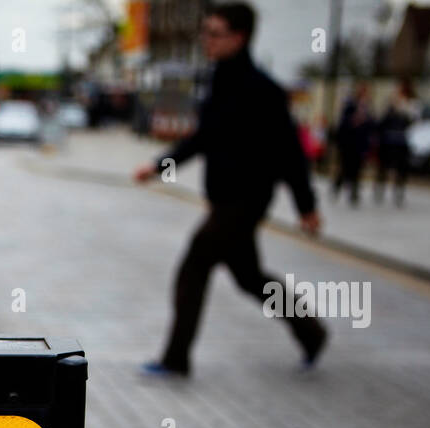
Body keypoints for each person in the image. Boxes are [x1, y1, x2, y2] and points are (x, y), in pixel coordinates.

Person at [133, 2, 327, 378]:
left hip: (246, 200)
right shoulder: (218, 81)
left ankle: (176, 359)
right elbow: (202, 139)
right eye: (205, 33)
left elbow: (289, 152)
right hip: (223, 200)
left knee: (194, 265)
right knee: (249, 277)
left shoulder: (263, 91)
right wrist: (158, 166)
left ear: (240, 37)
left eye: (215, 33)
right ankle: (312, 333)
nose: (207, 40)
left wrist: (307, 206)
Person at [374, 79, 418, 207]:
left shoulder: (411, 104)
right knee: (383, 167)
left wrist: (403, 108)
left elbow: (412, 121)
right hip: (387, 141)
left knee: (401, 169)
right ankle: (379, 188)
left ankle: (398, 192)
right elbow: (382, 121)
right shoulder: (390, 103)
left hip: (402, 141)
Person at [331, 84, 374, 205]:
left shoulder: (367, 108)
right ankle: (337, 186)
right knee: (345, 167)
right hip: (348, 143)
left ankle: (354, 193)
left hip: (360, 144)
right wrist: (354, 120)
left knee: (357, 169)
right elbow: (342, 123)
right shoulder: (350, 106)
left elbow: (372, 124)